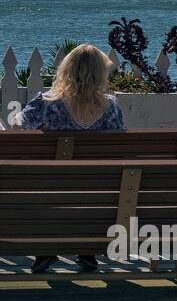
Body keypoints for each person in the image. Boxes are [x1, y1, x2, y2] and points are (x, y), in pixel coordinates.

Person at [9, 43, 126, 274]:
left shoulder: (46, 103)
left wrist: (15, 114)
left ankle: (46, 249)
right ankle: (86, 251)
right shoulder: (111, 107)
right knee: (85, 187)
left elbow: (18, 126)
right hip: (96, 189)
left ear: (67, 70)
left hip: (49, 185)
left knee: (51, 183)